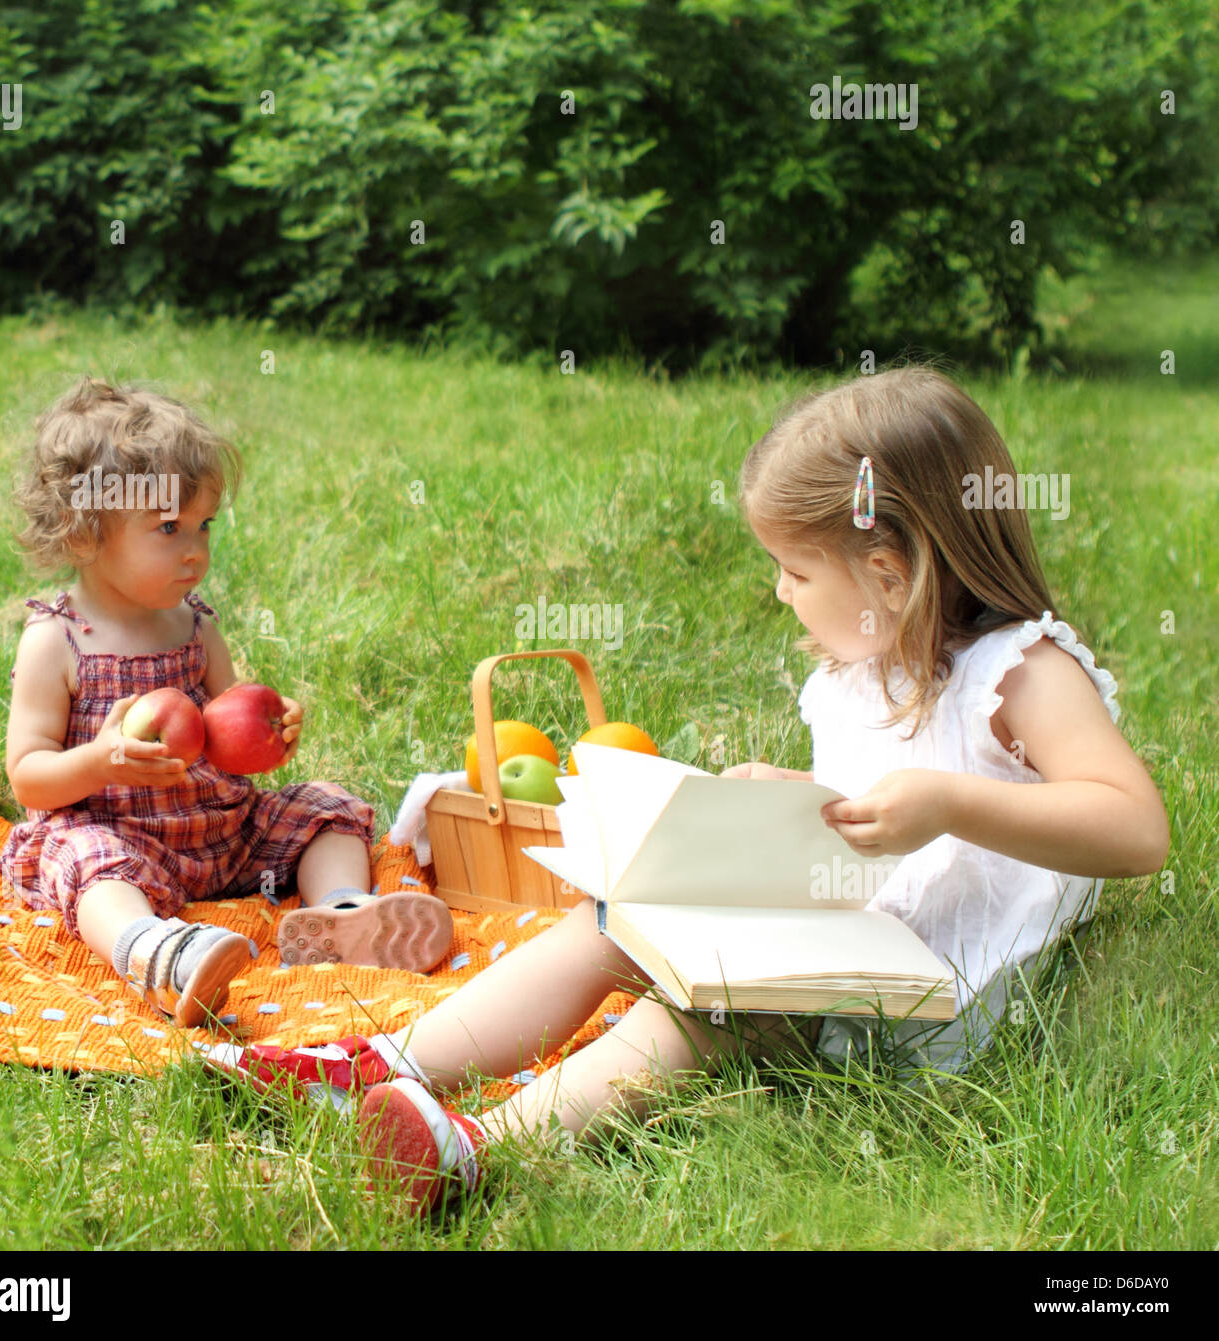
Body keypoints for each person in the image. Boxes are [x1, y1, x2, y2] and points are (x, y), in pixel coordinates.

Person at [205, 365, 1169, 1214]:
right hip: (842, 923)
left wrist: (951, 804)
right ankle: (389, 1062)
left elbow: (1133, 829)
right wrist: (801, 798)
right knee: (618, 917)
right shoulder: (867, 666)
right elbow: (881, 800)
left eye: (794, 570)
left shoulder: (1023, 672)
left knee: (708, 1010)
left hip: (921, 991)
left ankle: (486, 1146)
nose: (781, 593)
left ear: (887, 572)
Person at [0, 378, 453, 1026]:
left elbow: (226, 741)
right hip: (126, 845)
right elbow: (28, 778)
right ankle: (154, 950)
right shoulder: (58, 640)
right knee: (83, 859)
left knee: (324, 807)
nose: (196, 551)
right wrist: (100, 760)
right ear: (83, 536)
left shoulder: (195, 625)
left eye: (204, 525)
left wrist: (270, 733)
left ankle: (343, 916)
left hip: (222, 835)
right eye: (169, 528)